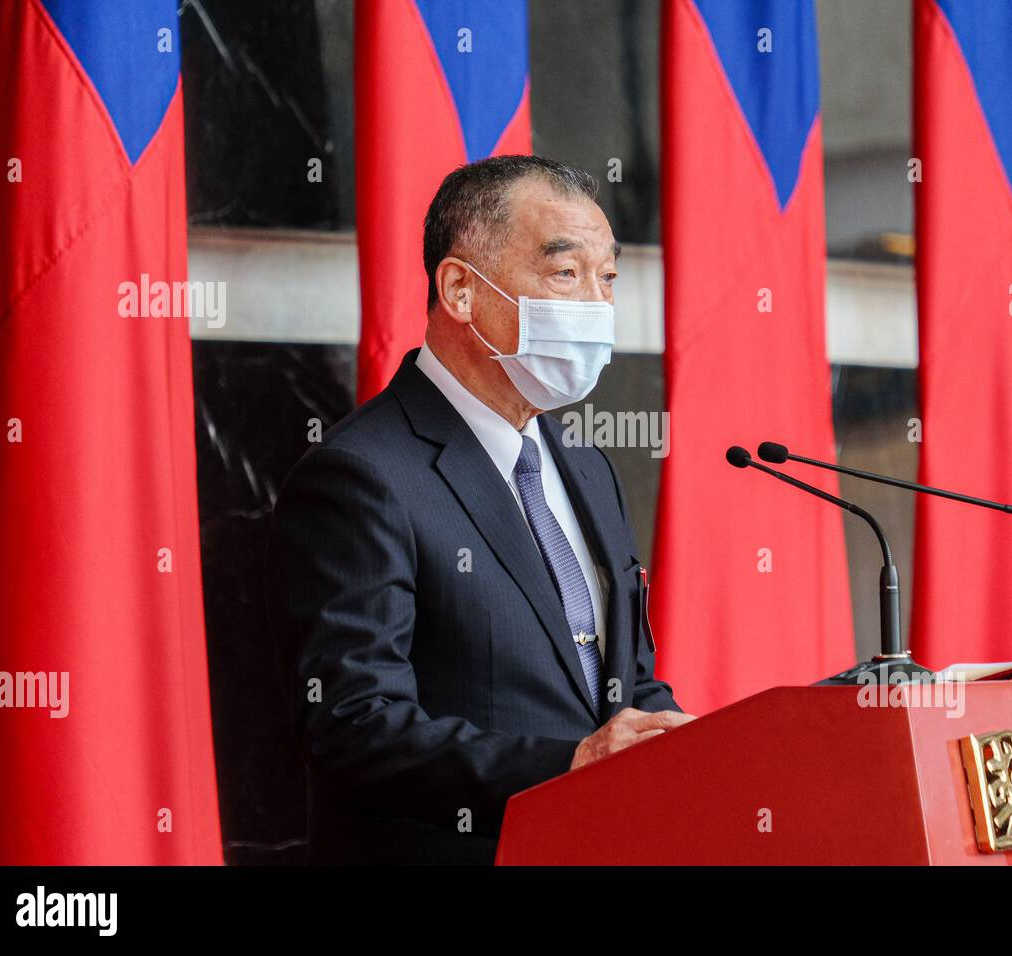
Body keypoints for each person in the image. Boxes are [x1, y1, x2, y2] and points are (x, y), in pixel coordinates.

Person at [267, 155, 694, 864]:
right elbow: (352, 722)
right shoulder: (360, 475)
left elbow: (624, 682)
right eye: (566, 274)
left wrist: (679, 742)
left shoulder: (586, 467)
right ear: (461, 289)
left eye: (608, 278)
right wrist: (566, 767)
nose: (595, 304)